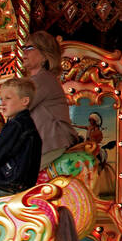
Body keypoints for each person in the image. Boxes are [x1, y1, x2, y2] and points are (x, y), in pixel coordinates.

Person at [23, 31, 80, 169]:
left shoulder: (42, 79)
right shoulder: (38, 80)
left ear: (44, 55)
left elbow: (20, 106)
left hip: (51, 142)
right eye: (23, 49)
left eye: (30, 48)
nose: (24, 52)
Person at [0, 77, 42, 196]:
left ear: (25, 101)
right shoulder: (27, 123)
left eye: (8, 98)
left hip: (7, 185)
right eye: (1, 99)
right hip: (21, 185)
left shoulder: (16, 125)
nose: (3, 103)